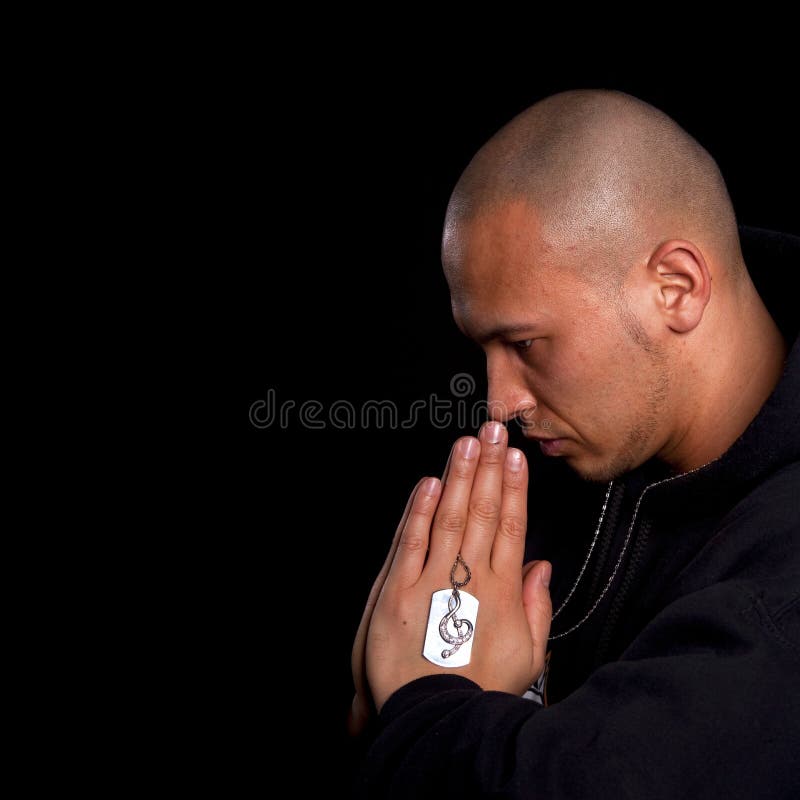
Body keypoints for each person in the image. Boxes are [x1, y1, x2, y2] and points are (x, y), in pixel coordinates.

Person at [347, 89, 799, 798]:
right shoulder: (577, 449)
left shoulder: (781, 596)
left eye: (525, 343)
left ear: (675, 287)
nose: (498, 404)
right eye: (484, 348)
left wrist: (421, 713)